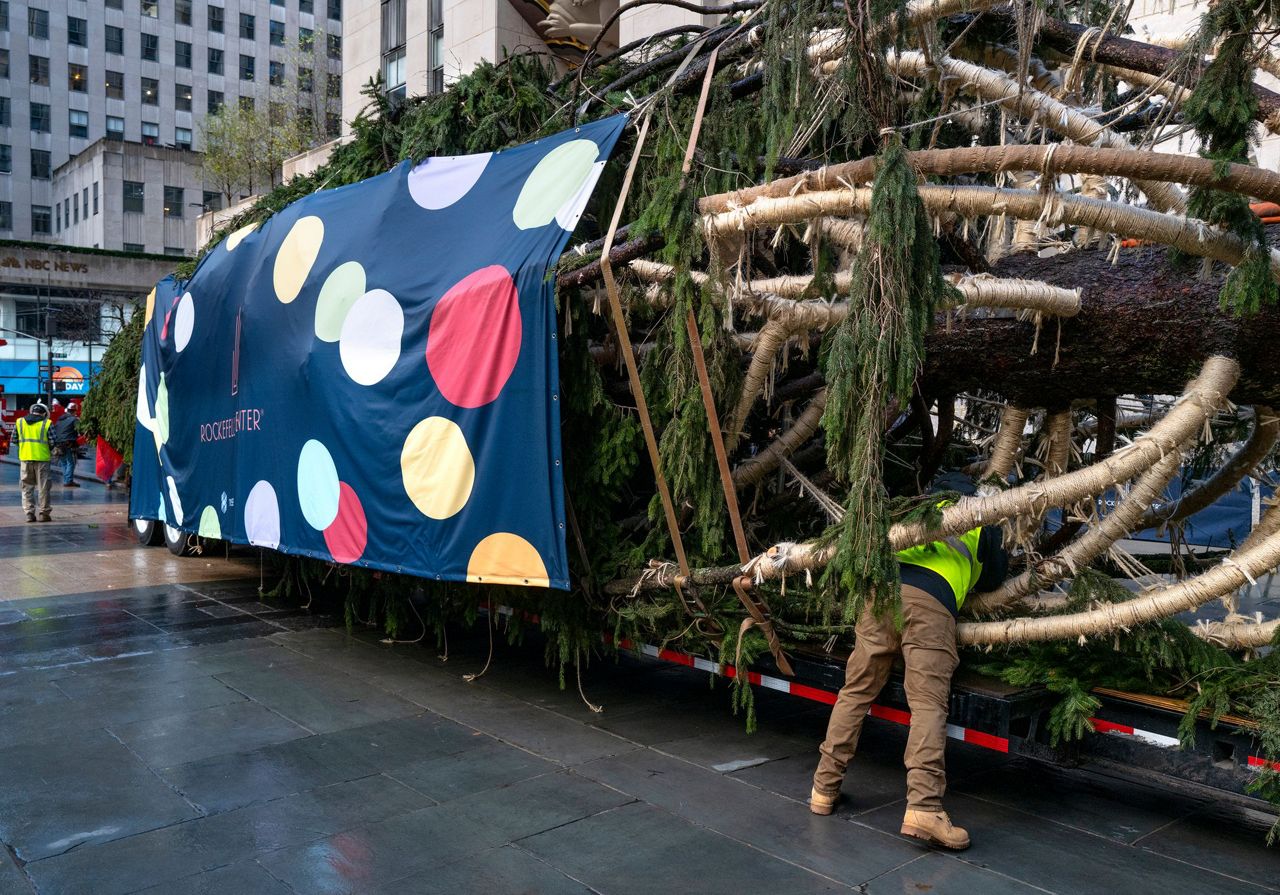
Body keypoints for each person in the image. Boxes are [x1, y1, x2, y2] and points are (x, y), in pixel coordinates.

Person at [809, 490, 1007, 850]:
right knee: (928, 705)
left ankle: (823, 788)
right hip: (932, 606)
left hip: (881, 597)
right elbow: (995, 578)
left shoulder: (918, 504)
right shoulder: (982, 519)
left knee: (854, 693)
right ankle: (924, 808)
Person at [15, 401, 53, 522]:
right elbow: (53, 442)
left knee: (26, 487)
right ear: (44, 414)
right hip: (42, 460)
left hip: (25, 459)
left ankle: (29, 514)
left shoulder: (20, 422)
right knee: (43, 488)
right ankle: (44, 514)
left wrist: (26, 448)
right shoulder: (47, 423)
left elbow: (14, 439)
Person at [50, 401, 81, 488]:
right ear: (74, 411)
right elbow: (80, 430)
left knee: (63, 462)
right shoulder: (74, 419)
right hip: (68, 443)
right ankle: (68, 481)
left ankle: (66, 480)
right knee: (71, 462)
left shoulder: (60, 419)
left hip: (58, 443)